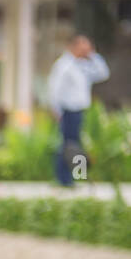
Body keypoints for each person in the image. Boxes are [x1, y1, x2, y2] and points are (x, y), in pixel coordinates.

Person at [46, 33, 110, 187]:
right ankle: (67, 178)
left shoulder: (82, 65)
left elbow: (103, 73)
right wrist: (56, 109)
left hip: (78, 111)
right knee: (70, 145)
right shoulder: (64, 65)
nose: (86, 49)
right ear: (74, 46)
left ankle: (71, 178)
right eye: (84, 46)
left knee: (71, 144)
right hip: (68, 111)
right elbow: (54, 88)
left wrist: (93, 55)